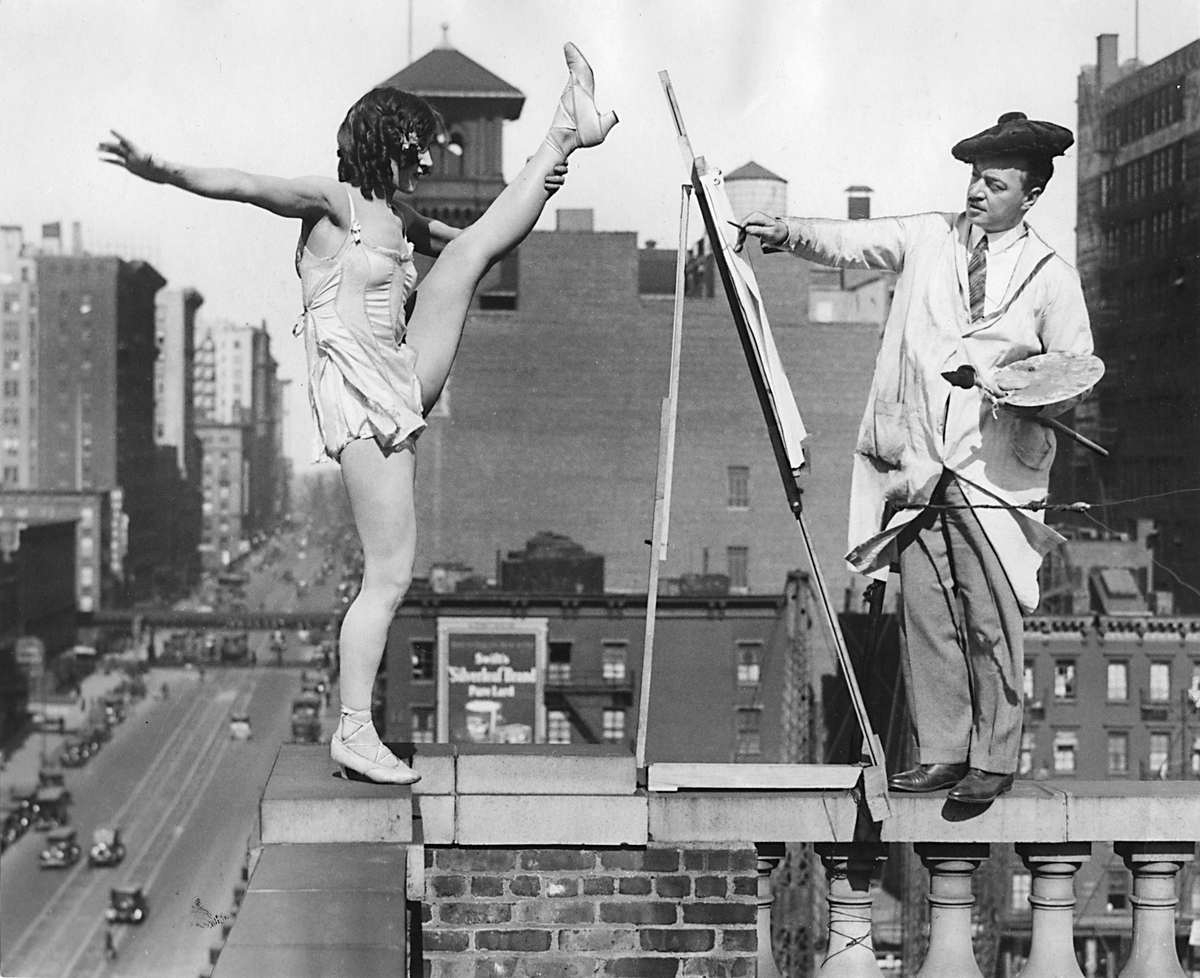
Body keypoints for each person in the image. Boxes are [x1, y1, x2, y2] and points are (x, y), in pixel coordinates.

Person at [100, 42, 616, 786]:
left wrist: (541, 184)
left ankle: (567, 132)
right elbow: (245, 185)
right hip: (361, 399)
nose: (429, 162)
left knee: (470, 253)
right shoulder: (333, 205)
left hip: (401, 373)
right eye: (419, 147)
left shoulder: (398, 217)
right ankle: (353, 730)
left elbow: (484, 243)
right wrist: (164, 170)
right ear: (385, 142)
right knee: (389, 573)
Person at [738, 112, 1092, 804]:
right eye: (974, 178)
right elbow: (854, 242)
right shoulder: (931, 237)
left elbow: (1074, 370)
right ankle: (943, 752)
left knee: (989, 613)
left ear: (1030, 195)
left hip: (992, 468)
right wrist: (787, 233)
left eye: (994, 184)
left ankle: (994, 757)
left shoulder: (1052, 277)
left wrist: (1011, 387)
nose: (976, 191)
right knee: (926, 610)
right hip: (920, 462)